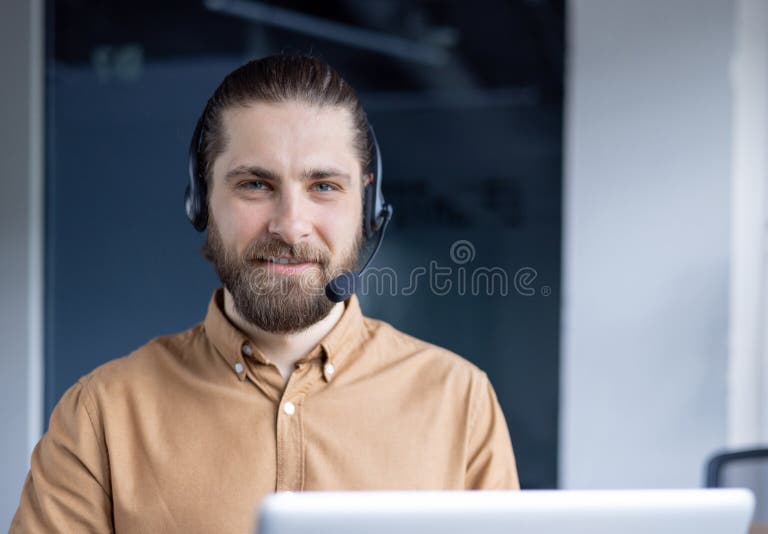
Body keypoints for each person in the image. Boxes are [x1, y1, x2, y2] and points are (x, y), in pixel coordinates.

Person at [12, 54, 518, 534]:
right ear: (200, 199)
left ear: (368, 205)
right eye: (255, 185)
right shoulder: (101, 414)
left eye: (323, 186)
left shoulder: (460, 402)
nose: (291, 226)